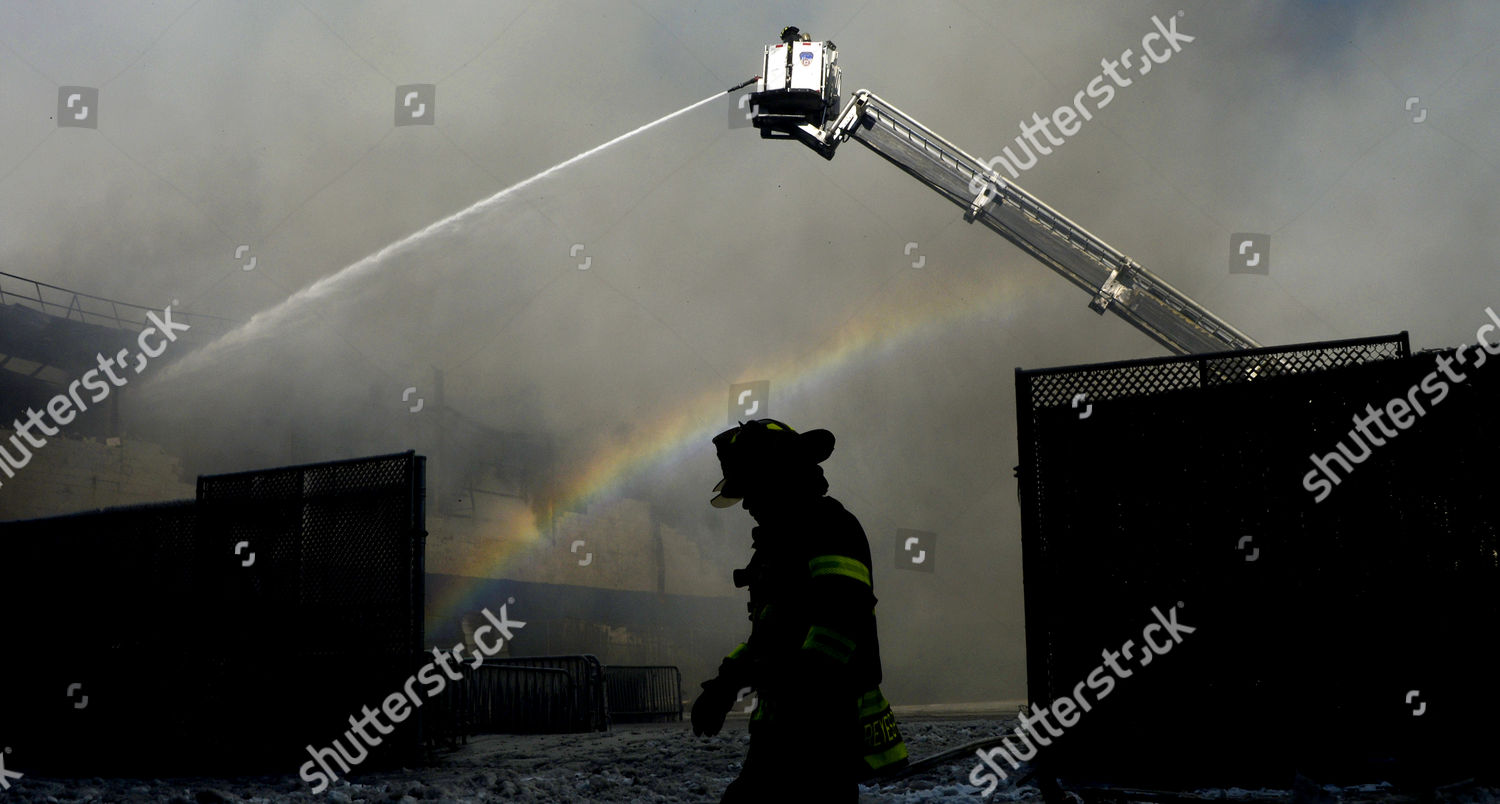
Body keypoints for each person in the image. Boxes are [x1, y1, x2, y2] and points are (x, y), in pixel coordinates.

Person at [692, 418, 908, 802]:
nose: (748, 506)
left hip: (823, 729)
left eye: (752, 492)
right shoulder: (779, 544)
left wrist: (769, 678)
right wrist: (724, 686)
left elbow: (837, 630)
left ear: (780, 478)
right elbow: (766, 636)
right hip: (782, 732)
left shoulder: (830, 529)